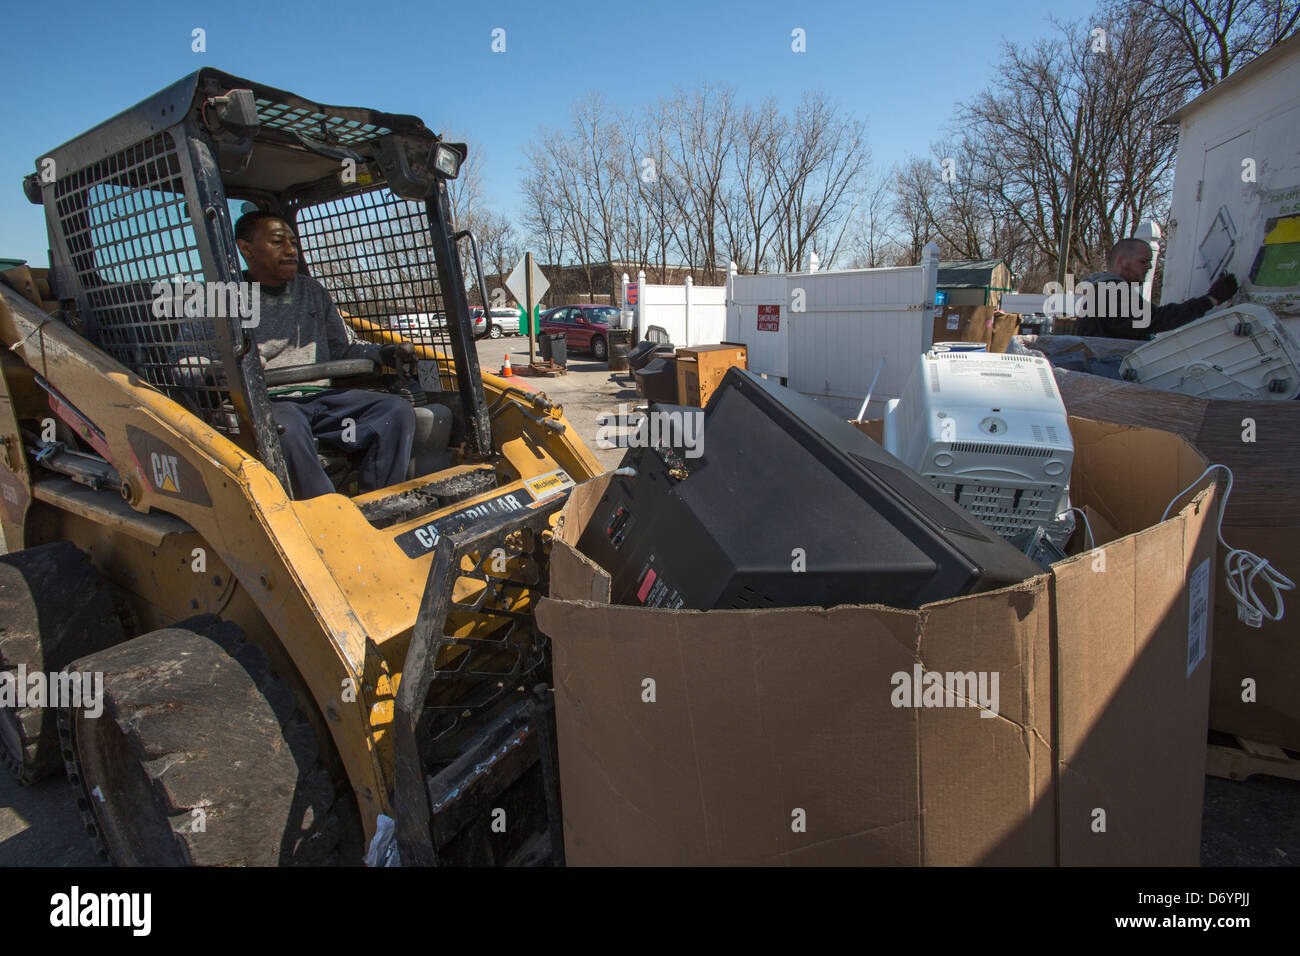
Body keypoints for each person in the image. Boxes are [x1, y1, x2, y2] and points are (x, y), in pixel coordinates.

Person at [234, 211, 416, 499]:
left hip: (319, 398)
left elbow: (344, 347)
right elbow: (186, 363)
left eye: (293, 242)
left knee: (395, 410)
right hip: (266, 402)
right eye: (278, 242)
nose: (291, 250)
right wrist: (236, 365)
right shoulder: (223, 297)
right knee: (285, 428)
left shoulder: (310, 290)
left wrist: (384, 353)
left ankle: (380, 507)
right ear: (246, 249)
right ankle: (325, 520)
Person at [1075, 237, 1238, 340]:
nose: (1149, 266)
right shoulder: (1111, 290)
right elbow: (1155, 319)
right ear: (1122, 261)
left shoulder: (1103, 289)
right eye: (1143, 261)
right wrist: (1210, 300)